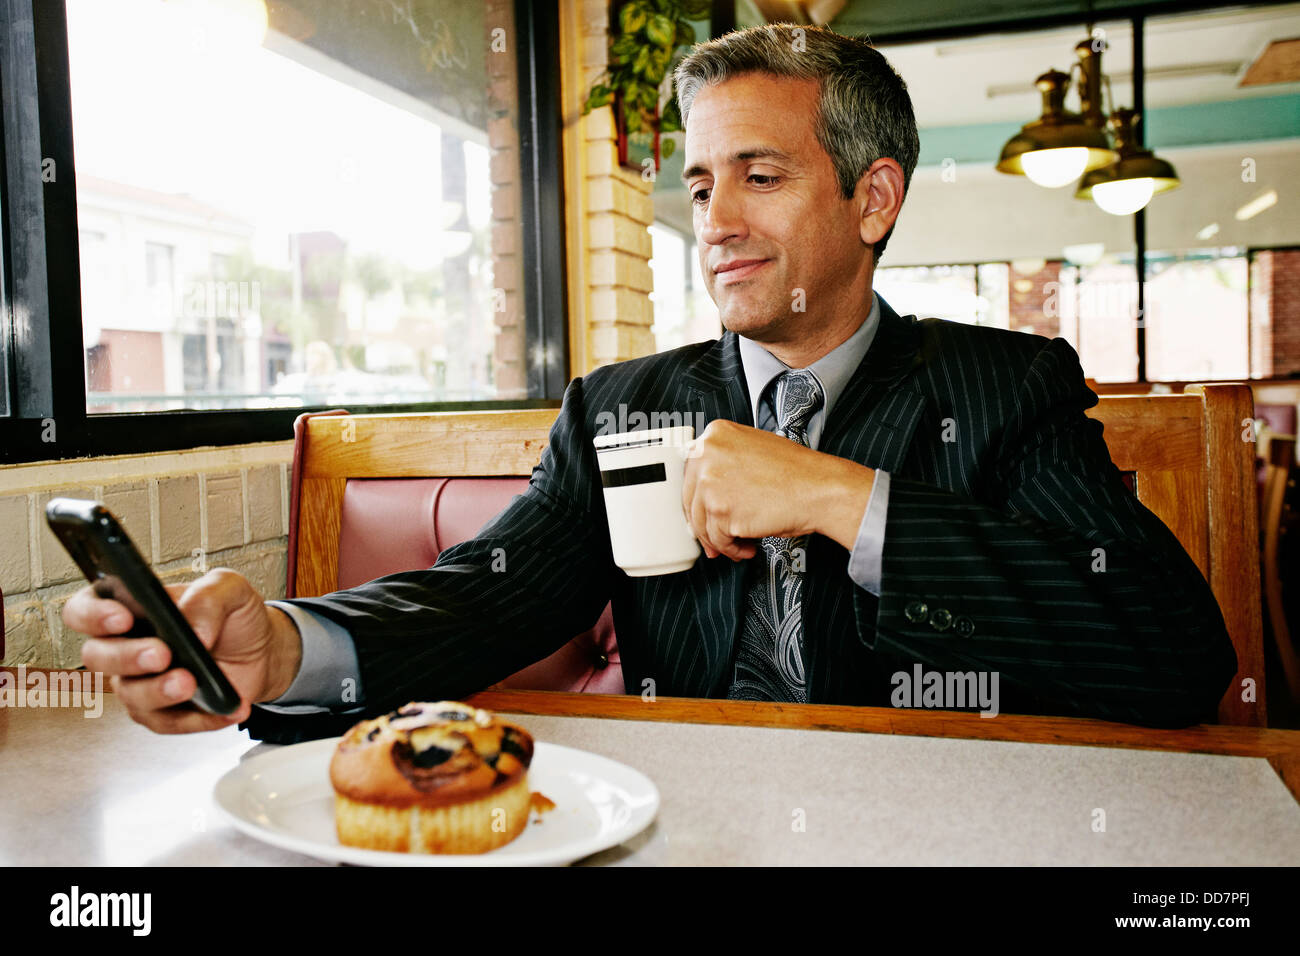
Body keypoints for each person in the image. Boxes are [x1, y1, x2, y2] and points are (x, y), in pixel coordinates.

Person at [65, 25, 1237, 743]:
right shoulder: (622, 404)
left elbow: (1172, 649)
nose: (716, 224)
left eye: (760, 176)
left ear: (872, 200)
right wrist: (287, 644)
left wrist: (841, 498)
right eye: (698, 187)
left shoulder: (1006, 384)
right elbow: (492, 591)